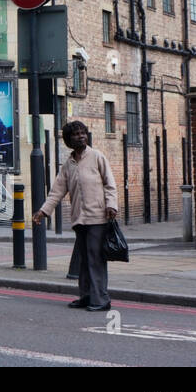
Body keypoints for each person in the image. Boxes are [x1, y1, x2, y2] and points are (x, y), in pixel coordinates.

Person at [32, 121, 118, 311]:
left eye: (83, 133)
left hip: (98, 217)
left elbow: (110, 184)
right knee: (84, 260)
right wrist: (44, 211)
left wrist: (111, 205)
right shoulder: (68, 164)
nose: (81, 136)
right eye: (76, 134)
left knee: (95, 259)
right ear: (68, 140)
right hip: (80, 219)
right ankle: (86, 296)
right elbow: (57, 191)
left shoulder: (97, 157)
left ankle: (101, 300)